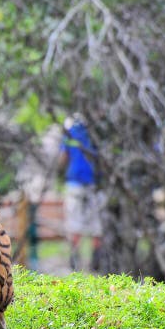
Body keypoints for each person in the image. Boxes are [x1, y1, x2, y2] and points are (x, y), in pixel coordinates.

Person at [58, 114, 103, 271]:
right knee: (96, 225)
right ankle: (95, 261)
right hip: (94, 183)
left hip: (74, 182)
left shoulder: (70, 133)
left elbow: (62, 158)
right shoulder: (96, 133)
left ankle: (75, 260)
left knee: (74, 223)